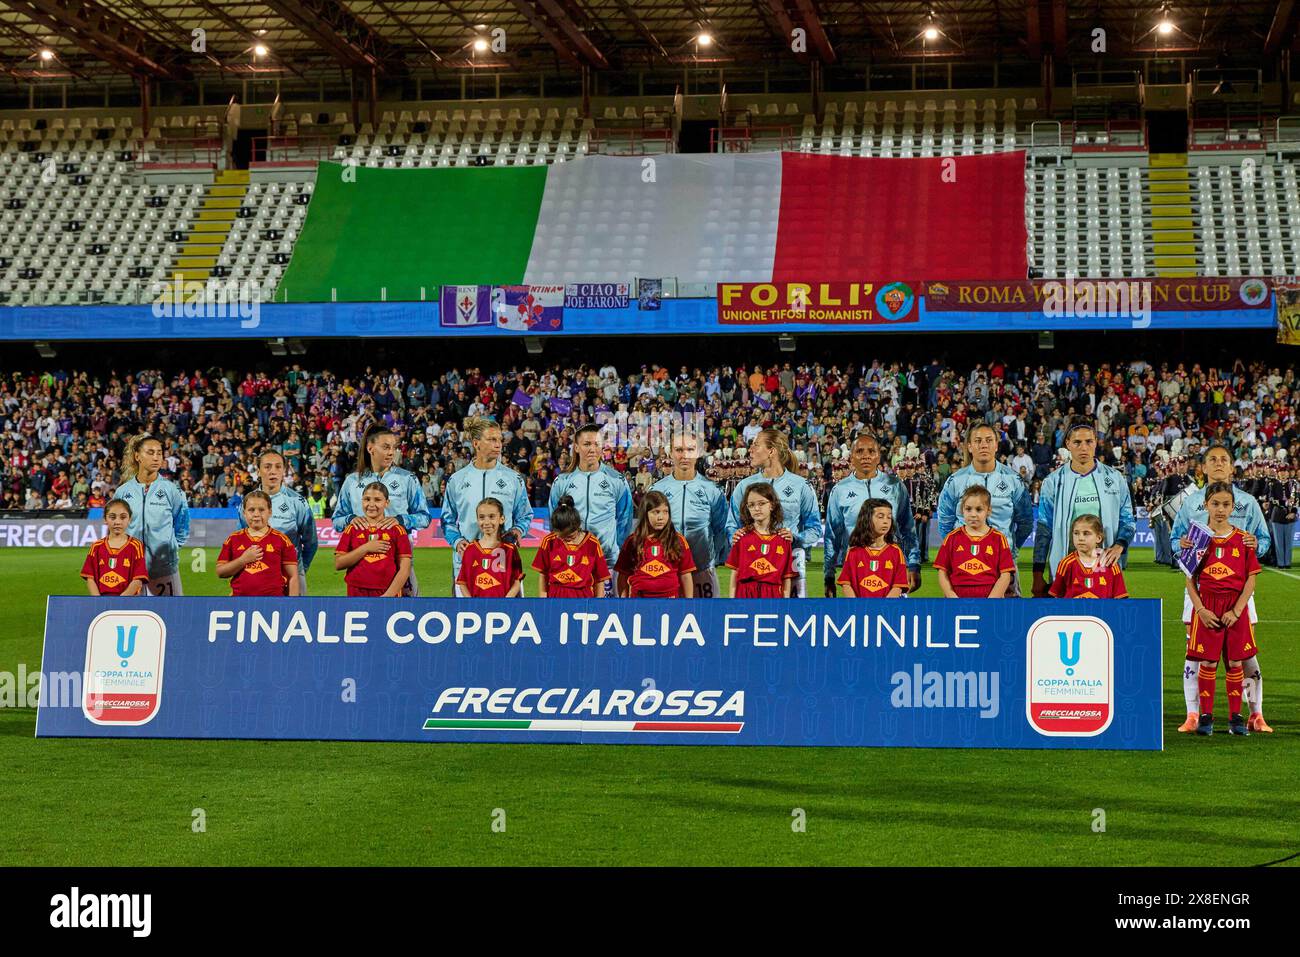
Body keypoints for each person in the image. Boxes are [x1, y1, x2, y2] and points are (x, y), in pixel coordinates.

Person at [1172, 444, 1273, 733]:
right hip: (1201, 590)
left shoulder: (1248, 502)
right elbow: (1176, 541)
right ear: (1202, 467)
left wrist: (1256, 544)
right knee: (1195, 652)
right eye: (1212, 460)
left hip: (1238, 592)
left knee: (1245, 656)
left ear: (1232, 467)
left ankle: (1255, 712)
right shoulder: (1190, 503)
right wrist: (1181, 546)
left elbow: (1263, 541)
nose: (1218, 463)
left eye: (1224, 460)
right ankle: (1194, 714)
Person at [1182, 482, 1260, 737]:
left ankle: (1236, 717)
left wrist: (1237, 611)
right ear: (1206, 505)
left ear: (1232, 507)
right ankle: (1206, 716)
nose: (1220, 509)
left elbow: (1251, 579)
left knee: (1236, 661)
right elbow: (1189, 580)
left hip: (1234, 608)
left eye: (1226, 504)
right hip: (1208, 607)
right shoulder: (1197, 539)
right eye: (1215, 504)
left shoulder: (1243, 539)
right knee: (1207, 661)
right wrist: (1201, 610)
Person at [1031, 421, 1134, 597]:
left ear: (1096, 442)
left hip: (1104, 566)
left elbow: (1128, 521)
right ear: (1068, 444)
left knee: (1103, 619)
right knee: (1064, 622)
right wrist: (1037, 574)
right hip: (1064, 568)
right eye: (1077, 442)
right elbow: (1044, 529)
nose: (1083, 447)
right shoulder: (1053, 482)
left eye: (1089, 441)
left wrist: (1119, 545)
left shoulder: (1115, 478)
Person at [333, 424, 431, 595]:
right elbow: (336, 520)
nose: (391, 452)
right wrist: (351, 519)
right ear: (370, 448)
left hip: (399, 563)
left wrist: (400, 520)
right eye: (386, 447)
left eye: (394, 447)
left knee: (407, 615)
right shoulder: (352, 481)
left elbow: (425, 517)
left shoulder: (408, 478)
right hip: (362, 566)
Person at [936, 424, 1034, 592]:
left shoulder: (1013, 480)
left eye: (989, 440)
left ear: (996, 445)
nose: (983, 445)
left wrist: (1011, 551)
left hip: (1003, 568)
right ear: (969, 446)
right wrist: (958, 552)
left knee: (1008, 617)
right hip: (963, 568)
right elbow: (945, 523)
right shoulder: (955, 481)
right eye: (978, 440)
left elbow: (1025, 522)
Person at [726, 429, 822, 597]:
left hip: (790, 560)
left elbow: (815, 529)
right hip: (752, 561)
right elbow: (732, 524)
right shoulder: (744, 486)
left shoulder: (801, 485)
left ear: (771, 451)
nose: (750, 450)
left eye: (756, 445)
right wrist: (734, 536)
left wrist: (796, 538)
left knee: (791, 617)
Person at [441, 417, 534, 592]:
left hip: (504, 563)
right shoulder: (457, 480)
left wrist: (517, 531)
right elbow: (447, 519)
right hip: (466, 563)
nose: (498, 444)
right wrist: (457, 541)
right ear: (476, 443)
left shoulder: (513, 479)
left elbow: (525, 515)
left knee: (508, 617)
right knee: (467, 617)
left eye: (499, 439)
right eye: (492, 439)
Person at [824, 432, 919, 598]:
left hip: (891, 568)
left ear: (878, 456)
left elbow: (908, 528)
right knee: (859, 619)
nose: (866, 456)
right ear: (851, 457)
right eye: (860, 451)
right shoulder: (840, 490)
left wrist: (913, 565)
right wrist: (829, 575)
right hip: (856, 570)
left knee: (892, 618)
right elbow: (832, 535)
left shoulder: (895, 486)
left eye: (871, 451)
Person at [548, 424, 633, 595]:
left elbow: (625, 518)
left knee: (608, 616)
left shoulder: (616, 480)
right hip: (572, 563)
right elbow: (554, 522)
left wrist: (615, 548)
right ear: (577, 447)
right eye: (587, 444)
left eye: (596, 444)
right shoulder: (562, 481)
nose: (592, 449)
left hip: (607, 562)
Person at [650, 431, 727, 598]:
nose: (684, 455)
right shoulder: (657, 490)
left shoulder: (712, 490)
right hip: (666, 571)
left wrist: (709, 559)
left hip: (703, 572)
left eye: (690, 449)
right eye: (679, 450)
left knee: (706, 622)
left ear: (698, 452)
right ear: (670, 453)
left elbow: (721, 530)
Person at [114, 433, 190, 596]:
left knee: (171, 615)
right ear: (137, 456)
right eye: (150, 452)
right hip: (130, 569)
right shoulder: (122, 492)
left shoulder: (173, 490)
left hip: (164, 569)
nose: (156, 458)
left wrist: (169, 551)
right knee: (133, 617)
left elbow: (182, 528)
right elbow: (115, 530)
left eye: (159, 453)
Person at [238, 448, 317, 596]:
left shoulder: (297, 502)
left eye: (278, 466)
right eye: (267, 467)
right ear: (259, 471)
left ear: (284, 470)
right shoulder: (246, 502)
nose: (273, 471)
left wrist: (300, 569)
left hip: (291, 578)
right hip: (258, 576)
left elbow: (311, 542)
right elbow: (241, 541)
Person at [334, 481, 413, 597]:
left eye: (377, 500)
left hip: (387, 593)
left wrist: (388, 596)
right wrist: (366, 548)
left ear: (387, 503)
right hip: (356, 592)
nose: (371, 504)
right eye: (367, 499)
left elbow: (405, 569)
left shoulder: (397, 530)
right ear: (362, 501)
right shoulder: (352, 529)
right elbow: (338, 563)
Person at [934, 485, 1015, 598]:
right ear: (962, 510)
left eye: (979, 509)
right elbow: (942, 572)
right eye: (968, 509)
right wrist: (951, 596)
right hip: (957, 598)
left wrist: (992, 600)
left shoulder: (998, 539)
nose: (973, 514)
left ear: (988, 511)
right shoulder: (952, 538)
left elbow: (1005, 574)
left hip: (990, 598)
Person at [216, 490, 300, 596]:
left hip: (274, 605)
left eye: (261, 510)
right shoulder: (233, 539)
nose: (256, 514)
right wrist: (242, 560)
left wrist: (292, 606)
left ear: (270, 512)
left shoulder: (282, 540)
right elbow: (220, 572)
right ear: (244, 513)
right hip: (239, 604)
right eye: (251, 510)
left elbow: (293, 577)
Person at [614, 491, 696, 597]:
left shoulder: (678, 540)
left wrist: (688, 604)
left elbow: (686, 576)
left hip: (670, 602)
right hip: (639, 602)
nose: (661, 517)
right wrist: (624, 603)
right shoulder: (632, 541)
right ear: (645, 513)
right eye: (656, 512)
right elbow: (622, 576)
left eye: (665, 512)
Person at [725, 482, 796, 598]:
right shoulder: (742, 537)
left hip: (773, 594)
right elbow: (735, 574)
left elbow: (786, 577)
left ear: (772, 505)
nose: (756, 508)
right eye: (751, 505)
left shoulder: (783, 539)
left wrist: (785, 603)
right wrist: (732, 601)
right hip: (745, 593)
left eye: (761, 503)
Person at [533, 494, 610, 598]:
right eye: (561, 537)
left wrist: (598, 604)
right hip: (555, 598)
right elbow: (543, 574)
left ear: (577, 525)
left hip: (584, 600)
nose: (565, 539)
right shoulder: (549, 541)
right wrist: (543, 600)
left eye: (569, 536)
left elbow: (600, 579)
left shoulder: (592, 543)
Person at [836, 497, 909, 598]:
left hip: (886, 610)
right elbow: (846, 584)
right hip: (860, 610)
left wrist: (883, 607)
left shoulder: (896, 552)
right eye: (880, 516)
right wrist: (856, 606)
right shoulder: (854, 552)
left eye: (889, 517)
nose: (886, 521)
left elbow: (898, 586)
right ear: (867, 518)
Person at [454, 497, 524, 598]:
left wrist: (504, 603)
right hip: (476, 609)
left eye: (491, 517)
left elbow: (517, 582)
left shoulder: (510, 550)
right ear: (477, 520)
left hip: (503, 608)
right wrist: (472, 603)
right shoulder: (470, 549)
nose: (486, 522)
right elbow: (463, 583)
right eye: (482, 517)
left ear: (501, 519)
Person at [1048, 514, 1129, 599]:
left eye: (1086, 533)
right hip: (1073, 612)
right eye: (1076, 533)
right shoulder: (1066, 563)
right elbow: (1055, 597)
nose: (1080, 538)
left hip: (1103, 612)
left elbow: (1121, 598)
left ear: (1098, 538)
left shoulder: (1110, 563)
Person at [81, 498, 148, 596]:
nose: (117, 522)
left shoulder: (136, 546)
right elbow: (90, 578)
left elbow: (138, 579)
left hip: (127, 602)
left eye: (123, 517)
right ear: (105, 519)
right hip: (102, 603)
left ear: (129, 519)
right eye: (112, 517)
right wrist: (99, 601)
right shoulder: (96, 547)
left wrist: (119, 601)